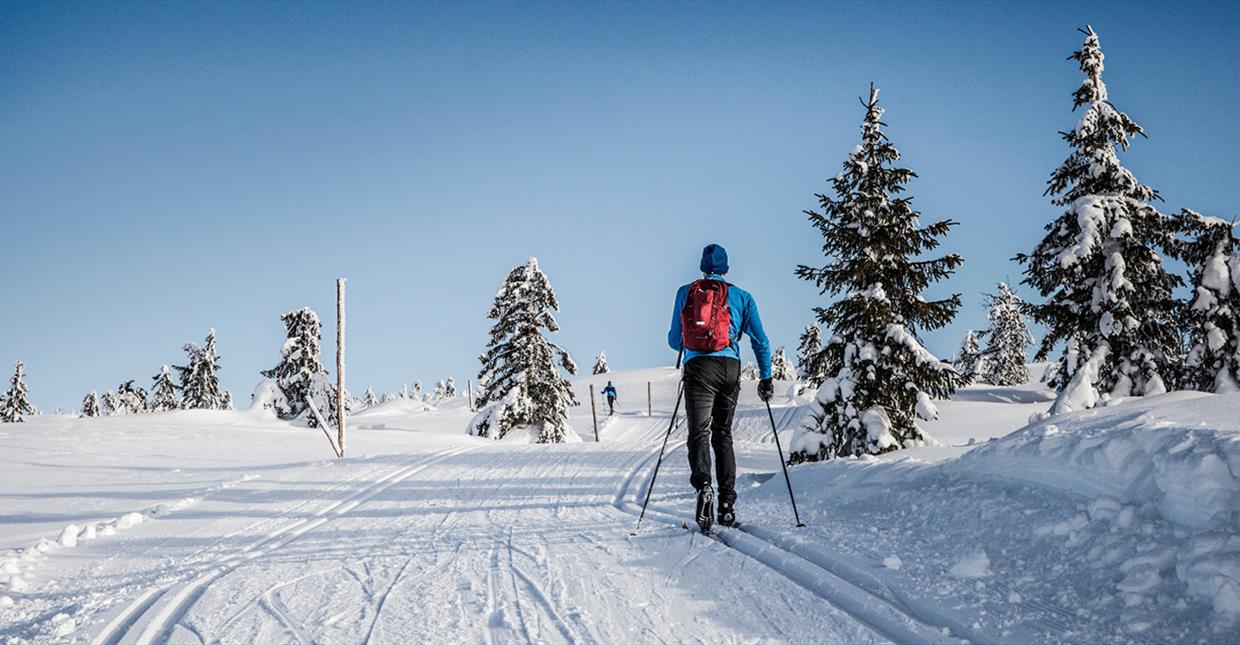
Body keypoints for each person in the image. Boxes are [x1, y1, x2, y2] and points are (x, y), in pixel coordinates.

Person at [667, 243, 772, 531]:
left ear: (702, 267)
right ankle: (727, 504)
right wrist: (766, 376)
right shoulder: (742, 297)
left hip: (698, 368)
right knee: (722, 435)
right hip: (729, 369)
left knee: (698, 432)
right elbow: (761, 340)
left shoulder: (685, 292)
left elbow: (675, 341)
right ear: (727, 268)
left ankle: (704, 487)